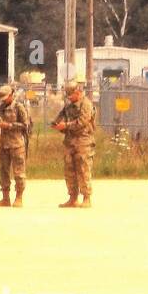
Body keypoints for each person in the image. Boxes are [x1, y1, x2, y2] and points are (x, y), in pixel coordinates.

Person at [52, 80, 96, 208]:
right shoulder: (69, 106)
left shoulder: (86, 104)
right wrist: (57, 125)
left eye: (71, 95)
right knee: (69, 170)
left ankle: (86, 197)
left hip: (83, 141)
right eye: (68, 95)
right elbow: (60, 117)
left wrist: (65, 125)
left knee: (83, 169)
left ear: (78, 92)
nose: (69, 98)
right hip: (70, 141)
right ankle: (73, 197)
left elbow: (82, 122)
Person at [0, 84, 31, 207]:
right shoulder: (0, 108)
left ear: (11, 95)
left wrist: (9, 125)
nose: (4, 100)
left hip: (17, 145)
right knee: (4, 172)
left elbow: (25, 125)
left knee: (19, 172)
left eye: (6, 98)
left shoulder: (19, 107)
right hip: (4, 144)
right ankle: (5, 198)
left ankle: (19, 197)